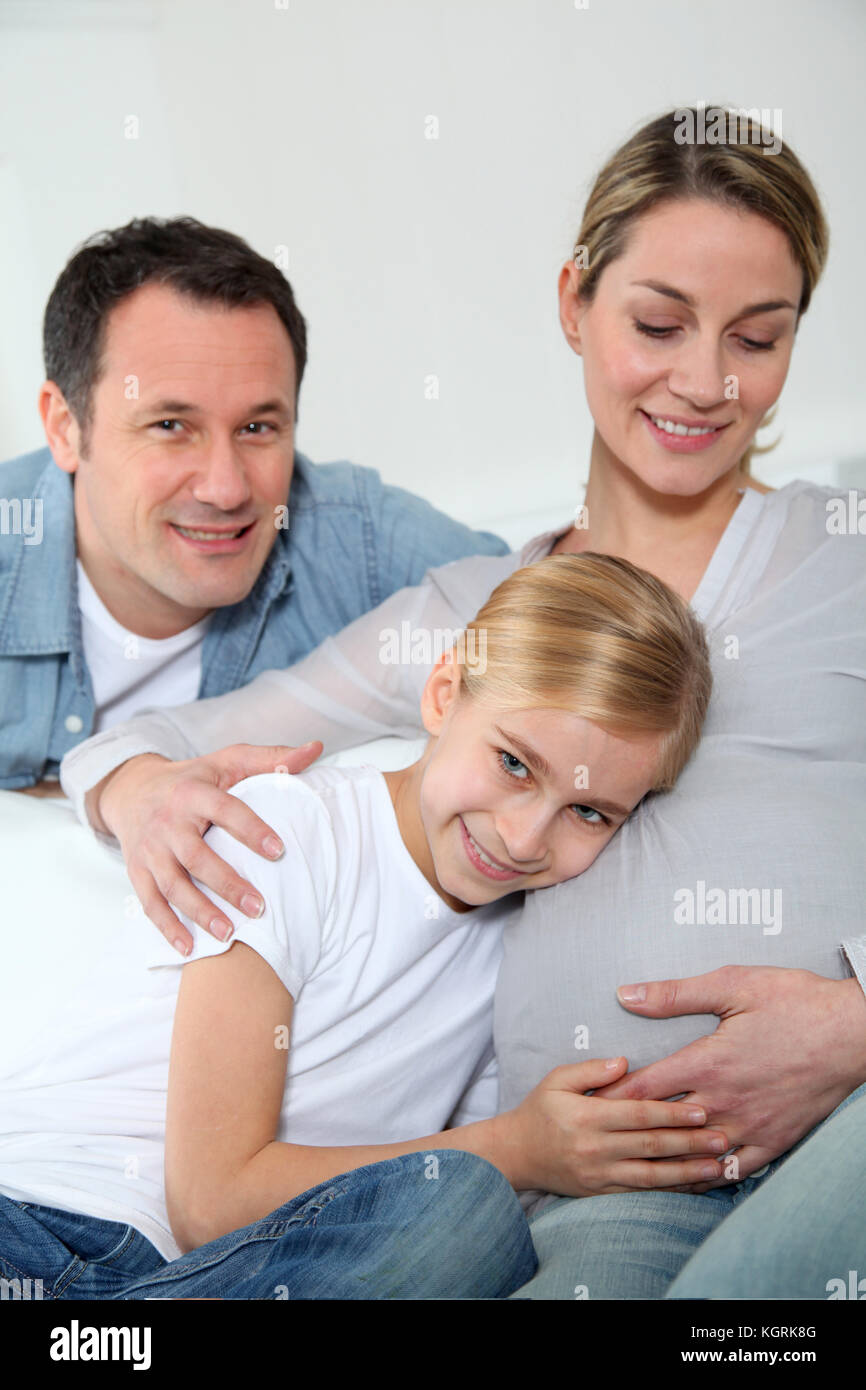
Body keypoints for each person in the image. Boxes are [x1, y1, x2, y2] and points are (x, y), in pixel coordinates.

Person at [59, 106, 866, 1298]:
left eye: (756, 337)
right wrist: (135, 789)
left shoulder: (842, 557)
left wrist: (852, 1026)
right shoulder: (470, 608)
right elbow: (152, 741)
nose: (704, 381)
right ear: (571, 303)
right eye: (656, 324)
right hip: (592, 1213)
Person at [0, 554, 724, 1299]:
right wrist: (518, 1149)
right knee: (471, 1195)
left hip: (200, 1281)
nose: (524, 837)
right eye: (513, 763)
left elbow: (401, 1198)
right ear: (444, 695)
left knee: (464, 1220)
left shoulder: (519, 956)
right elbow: (208, 1200)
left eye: (588, 812)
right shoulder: (290, 830)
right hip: (41, 1225)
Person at [0, 216, 508, 792]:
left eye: (257, 427)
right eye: (170, 425)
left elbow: (560, 610)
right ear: (65, 428)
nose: (227, 489)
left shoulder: (354, 538)